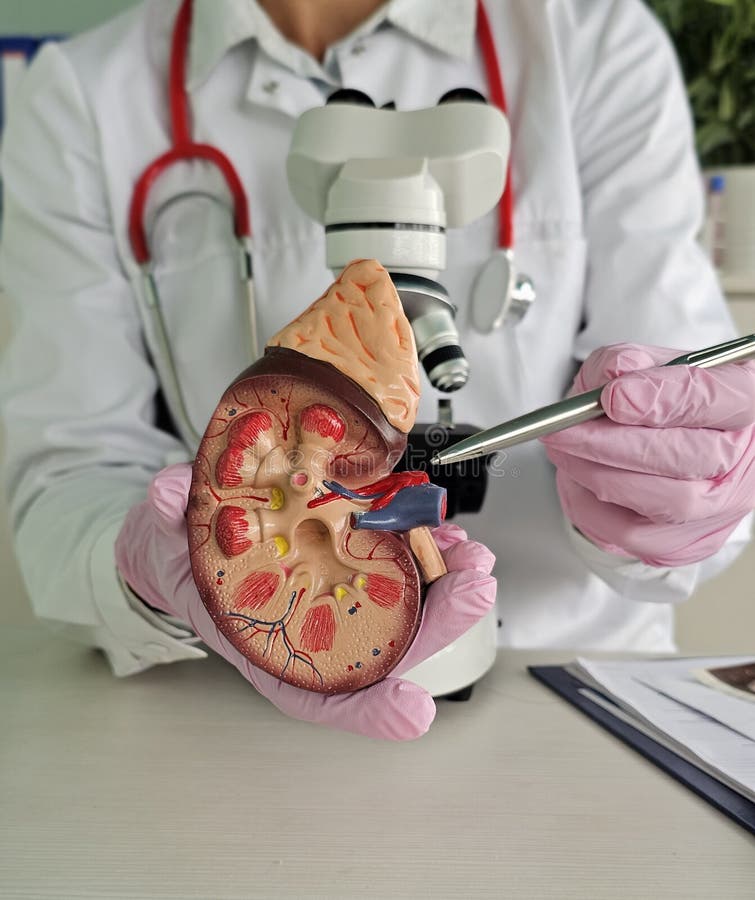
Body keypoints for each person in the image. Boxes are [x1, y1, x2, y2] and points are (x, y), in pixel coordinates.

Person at [1, 0, 754, 740]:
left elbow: (692, 411)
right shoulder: (85, 94)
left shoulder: (592, 40)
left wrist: (671, 492)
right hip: (234, 707)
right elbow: (65, 475)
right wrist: (149, 567)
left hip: (575, 696)